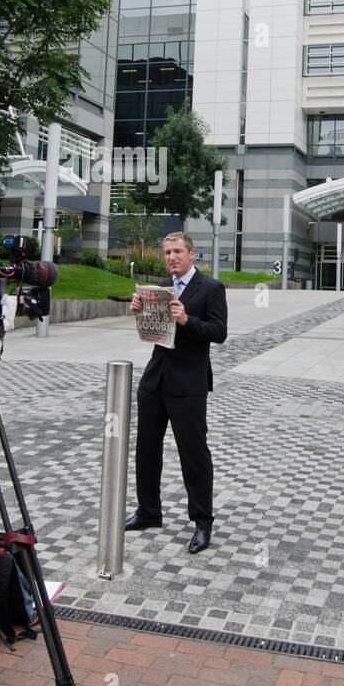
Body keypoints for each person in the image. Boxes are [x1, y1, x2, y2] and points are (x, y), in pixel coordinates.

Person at [125, 232, 228, 554]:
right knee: (146, 449)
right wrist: (139, 311)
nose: (172, 257)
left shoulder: (211, 288)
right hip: (155, 380)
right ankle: (148, 511)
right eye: (167, 252)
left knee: (193, 453)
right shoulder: (159, 288)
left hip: (189, 383)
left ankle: (202, 521)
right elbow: (154, 331)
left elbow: (219, 332)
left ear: (191, 254)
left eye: (177, 251)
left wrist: (186, 320)